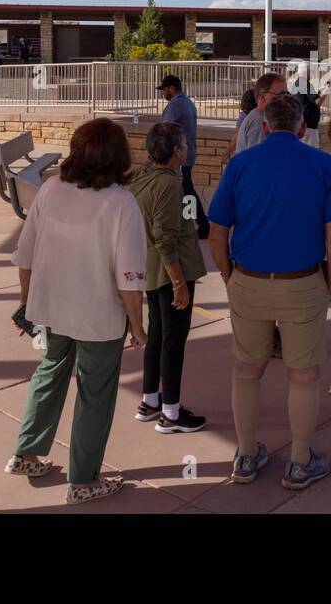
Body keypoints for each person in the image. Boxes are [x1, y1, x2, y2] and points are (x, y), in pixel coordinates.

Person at [208, 93, 331, 490]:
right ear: (302, 127)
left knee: (246, 369)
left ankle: (246, 455)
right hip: (303, 283)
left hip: (248, 280)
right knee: (303, 374)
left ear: (265, 125)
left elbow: (217, 231)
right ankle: (300, 461)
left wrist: (227, 274)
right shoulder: (322, 164)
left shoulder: (239, 165)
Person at [6, 117, 148, 505]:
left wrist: (26, 303)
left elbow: (26, 253)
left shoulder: (50, 189)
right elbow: (129, 276)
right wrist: (138, 325)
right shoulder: (121, 202)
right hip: (99, 315)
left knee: (50, 373)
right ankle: (83, 480)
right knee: (95, 392)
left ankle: (27, 453)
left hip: (52, 307)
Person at [132, 122, 208, 433]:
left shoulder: (143, 178)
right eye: (185, 144)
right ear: (176, 151)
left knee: (158, 336)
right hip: (169, 273)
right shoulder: (168, 185)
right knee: (174, 341)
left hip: (152, 271)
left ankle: (150, 400)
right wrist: (179, 282)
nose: (188, 148)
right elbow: (164, 236)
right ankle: (172, 414)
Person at [158, 73, 208, 238]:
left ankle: (201, 224)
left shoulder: (175, 105)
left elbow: (165, 130)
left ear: (172, 88)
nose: (163, 93)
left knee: (185, 190)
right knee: (183, 190)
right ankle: (191, 224)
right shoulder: (188, 102)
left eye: (164, 90)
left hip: (178, 155)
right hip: (187, 152)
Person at [234, 72, 289, 154]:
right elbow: (257, 159)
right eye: (281, 94)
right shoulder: (259, 121)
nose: (286, 98)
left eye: (287, 94)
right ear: (262, 97)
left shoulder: (262, 118)